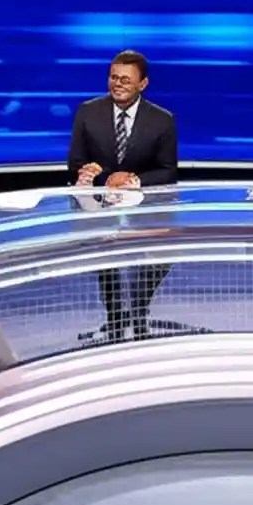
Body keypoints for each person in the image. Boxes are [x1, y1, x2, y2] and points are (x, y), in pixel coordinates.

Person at [67, 50, 178, 339]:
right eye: (113, 78)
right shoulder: (88, 113)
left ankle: (139, 310)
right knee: (107, 258)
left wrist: (134, 180)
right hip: (101, 206)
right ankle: (116, 318)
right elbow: (75, 164)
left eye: (125, 80)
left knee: (159, 256)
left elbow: (168, 171)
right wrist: (107, 180)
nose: (117, 84)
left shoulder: (162, 120)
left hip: (144, 207)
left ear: (143, 84)